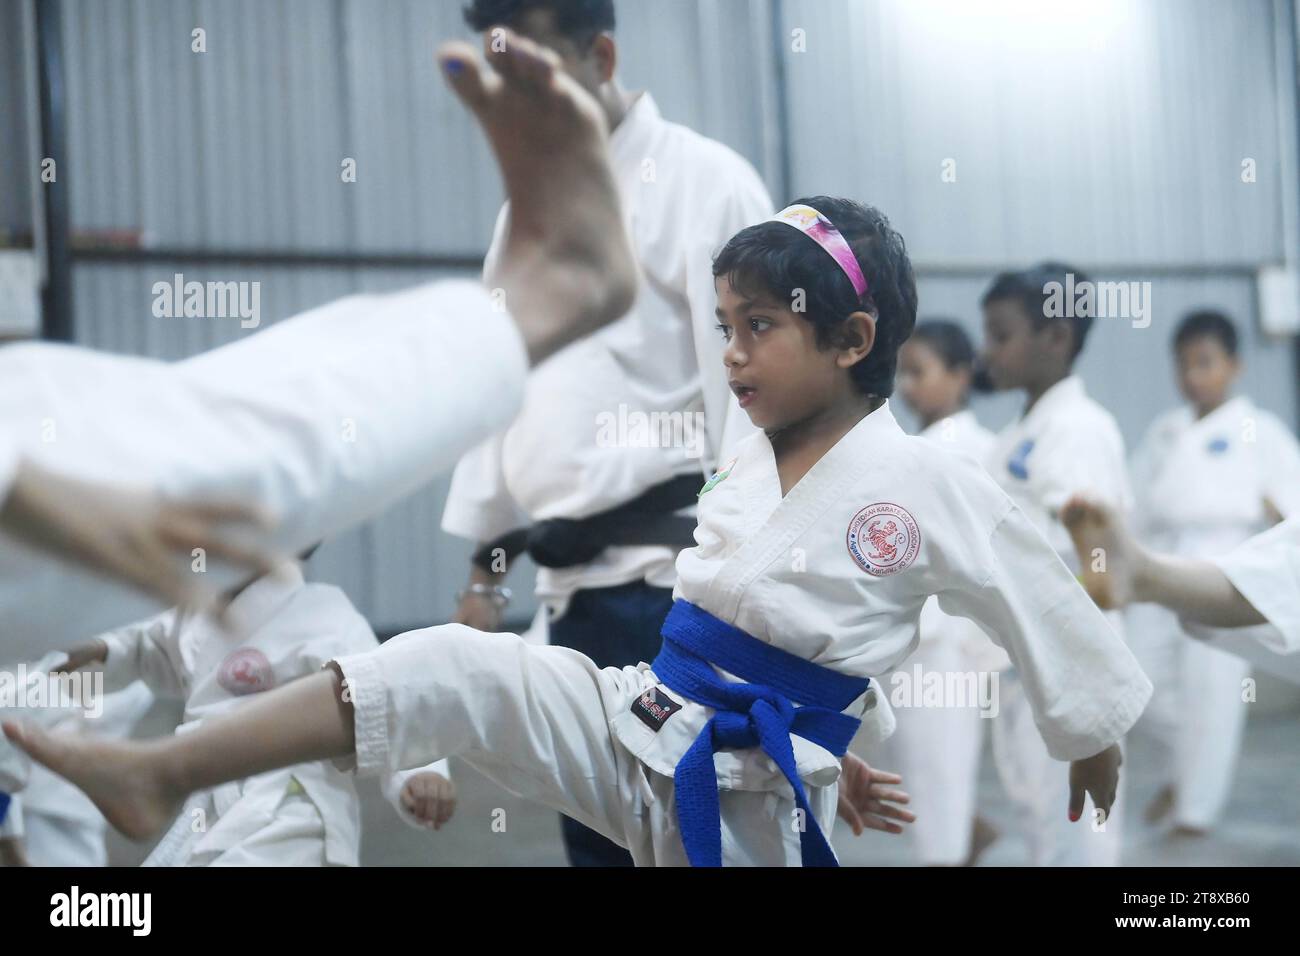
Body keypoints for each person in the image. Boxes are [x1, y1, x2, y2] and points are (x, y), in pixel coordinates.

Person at [5, 191, 1154, 868]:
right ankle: (161, 769)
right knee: (449, 663)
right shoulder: (745, 448)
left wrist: (1088, 728)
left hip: (751, 787)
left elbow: (1033, 587)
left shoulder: (929, 482)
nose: (731, 352)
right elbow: (771, 605)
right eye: (723, 325)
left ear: (853, 340)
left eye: (759, 326)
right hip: (639, 710)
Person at [0, 23, 637, 656]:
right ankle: (540, 303)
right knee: (125, 451)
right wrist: (485, 573)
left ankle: (534, 308)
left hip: (649, 559)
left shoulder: (687, 179)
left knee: (88, 430)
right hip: (574, 568)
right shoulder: (195, 626)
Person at [445, 0, 773, 866]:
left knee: (692, 837)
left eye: (534, 73)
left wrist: (733, 590)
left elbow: (752, 400)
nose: (516, 101)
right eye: (501, 78)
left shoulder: (707, 182)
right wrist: (486, 573)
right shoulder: (526, 212)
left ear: (600, 56)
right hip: (570, 590)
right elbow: (500, 385)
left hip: (672, 586)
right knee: (595, 841)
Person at [47, 557, 451, 866]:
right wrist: (103, 650)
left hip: (291, 798)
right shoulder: (192, 613)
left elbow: (383, 694)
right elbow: (145, 649)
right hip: (208, 798)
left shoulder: (326, 613)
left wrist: (420, 772)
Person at [976, 262, 1132, 866]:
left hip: (1069, 658)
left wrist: (1082, 682)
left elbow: (1098, 565)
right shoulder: (1019, 433)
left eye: (1001, 335)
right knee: (1040, 820)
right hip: (1027, 656)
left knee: (1078, 837)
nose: (989, 351)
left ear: (1057, 337)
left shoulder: (1079, 429)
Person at [1125, 310, 1300, 834]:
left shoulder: (1258, 430)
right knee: (1137, 677)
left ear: (1235, 366)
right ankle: (1184, 769)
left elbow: (1292, 508)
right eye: (1183, 364)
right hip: (1162, 560)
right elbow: (1134, 505)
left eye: (1205, 363)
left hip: (1231, 564)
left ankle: (1194, 812)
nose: (1192, 376)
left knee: (1214, 695)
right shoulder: (1165, 431)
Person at [887, 320, 1005, 865]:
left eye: (920, 371)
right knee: (922, 766)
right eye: (903, 373)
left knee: (936, 770)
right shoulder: (919, 446)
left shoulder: (971, 449)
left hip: (945, 637)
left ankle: (951, 851)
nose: (907, 385)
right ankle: (966, 835)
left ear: (960, 375)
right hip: (925, 632)